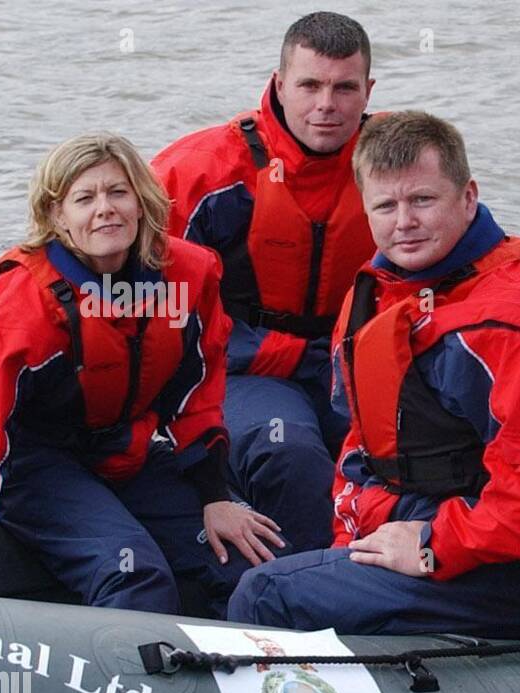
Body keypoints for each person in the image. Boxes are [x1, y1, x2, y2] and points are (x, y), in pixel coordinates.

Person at [227, 112, 520, 637]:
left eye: (422, 201)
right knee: (245, 567)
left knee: (265, 595)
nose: (403, 222)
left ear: (468, 197)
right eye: (385, 206)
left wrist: (432, 545)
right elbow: (362, 451)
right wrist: (350, 548)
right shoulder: (376, 293)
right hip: (432, 515)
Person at [0, 133, 282, 615]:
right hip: (34, 466)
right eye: (85, 198)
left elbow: (196, 398)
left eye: (118, 192)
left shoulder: (187, 275)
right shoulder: (18, 310)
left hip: (125, 452)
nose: (106, 209)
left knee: (252, 563)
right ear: (57, 217)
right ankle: (136, 687)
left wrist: (215, 496)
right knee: (134, 573)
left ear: (141, 202)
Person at [152, 11, 377, 552]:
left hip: (351, 359)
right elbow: (148, 304)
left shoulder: (397, 160)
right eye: (310, 85)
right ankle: (304, 595)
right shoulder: (200, 172)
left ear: (369, 91)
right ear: (279, 84)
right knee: (290, 451)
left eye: (345, 87)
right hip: (243, 368)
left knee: (403, 445)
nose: (327, 104)